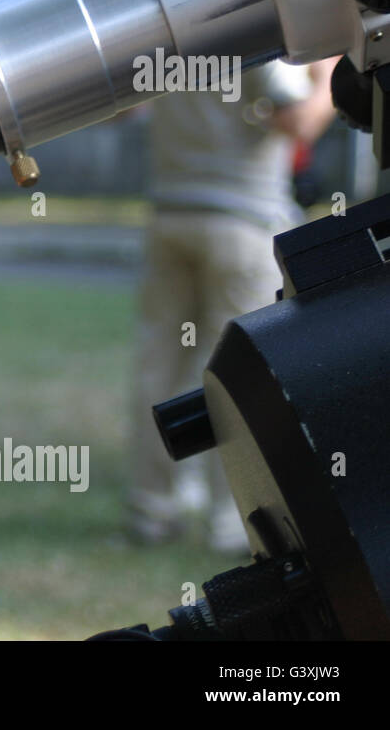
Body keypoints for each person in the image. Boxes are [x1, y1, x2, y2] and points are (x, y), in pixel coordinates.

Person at [128, 54, 337, 554]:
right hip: (242, 222)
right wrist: (328, 76)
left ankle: (150, 508)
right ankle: (234, 521)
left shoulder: (165, 43)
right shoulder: (252, 41)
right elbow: (300, 121)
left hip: (171, 214)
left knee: (158, 366)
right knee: (244, 376)